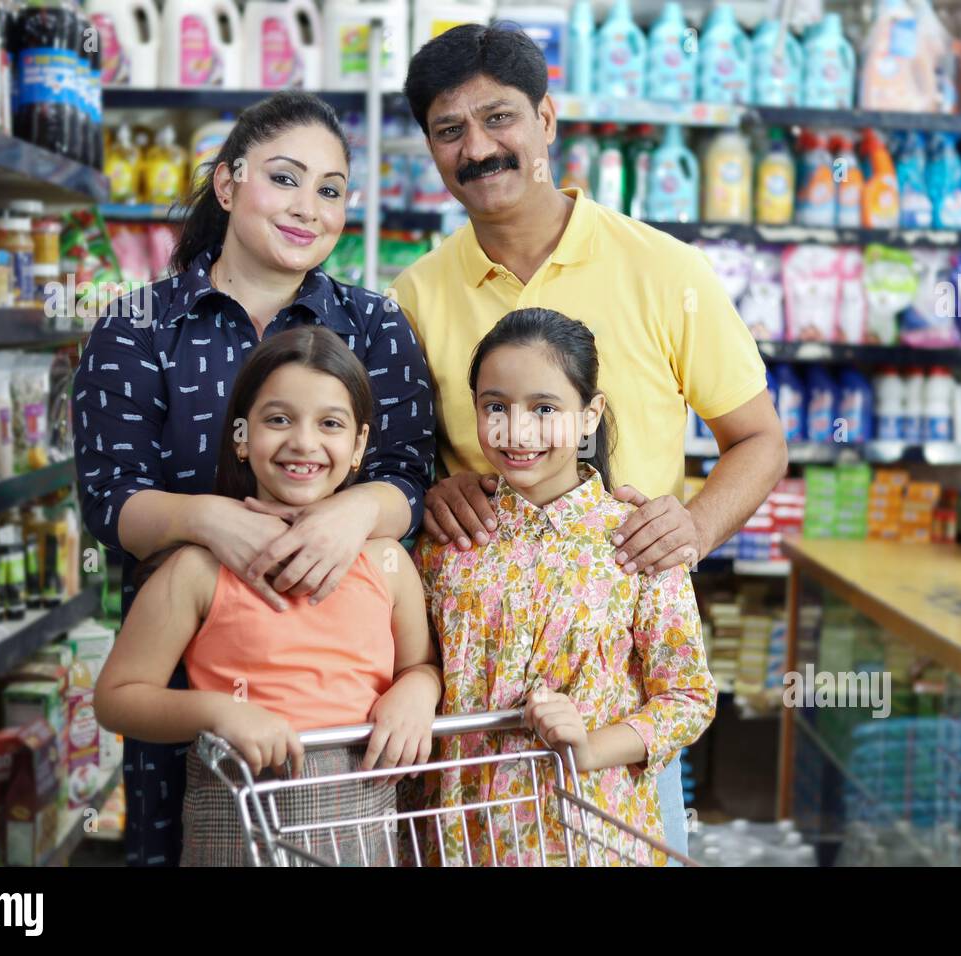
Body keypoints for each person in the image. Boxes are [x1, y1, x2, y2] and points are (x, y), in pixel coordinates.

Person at [392, 25, 787, 857]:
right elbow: (395, 460)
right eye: (448, 129)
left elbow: (757, 440)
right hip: (473, 694)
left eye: (499, 118)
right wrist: (430, 485)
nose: (479, 148)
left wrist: (697, 525)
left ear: (547, 118)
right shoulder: (415, 296)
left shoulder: (665, 270)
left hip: (619, 687)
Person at [74, 91, 435, 866]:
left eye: (331, 190)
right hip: (185, 671)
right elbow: (111, 502)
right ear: (229, 184)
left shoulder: (374, 325)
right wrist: (207, 522)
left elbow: (411, 478)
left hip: (346, 716)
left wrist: (353, 516)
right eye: (285, 178)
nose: (309, 207)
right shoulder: (137, 324)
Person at [95, 327, 441, 867]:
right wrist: (221, 712)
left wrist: (418, 692)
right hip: (234, 831)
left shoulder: (388, 563)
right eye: (278, 419)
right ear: (240, 435)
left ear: (358, 447)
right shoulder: (197, 569)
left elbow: (419, 664)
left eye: (330, 423)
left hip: (363, 833)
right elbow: (117, 696)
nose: (303, 442)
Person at [416, 308, 716, 866]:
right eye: (495, 407)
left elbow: (689, 699)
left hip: (592, 837)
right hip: (461, 838)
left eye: (545, 409)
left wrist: (588, 748)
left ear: (589, 415)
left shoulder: (637, 541)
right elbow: (419, 662)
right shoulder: (447, 544)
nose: (517, 431)